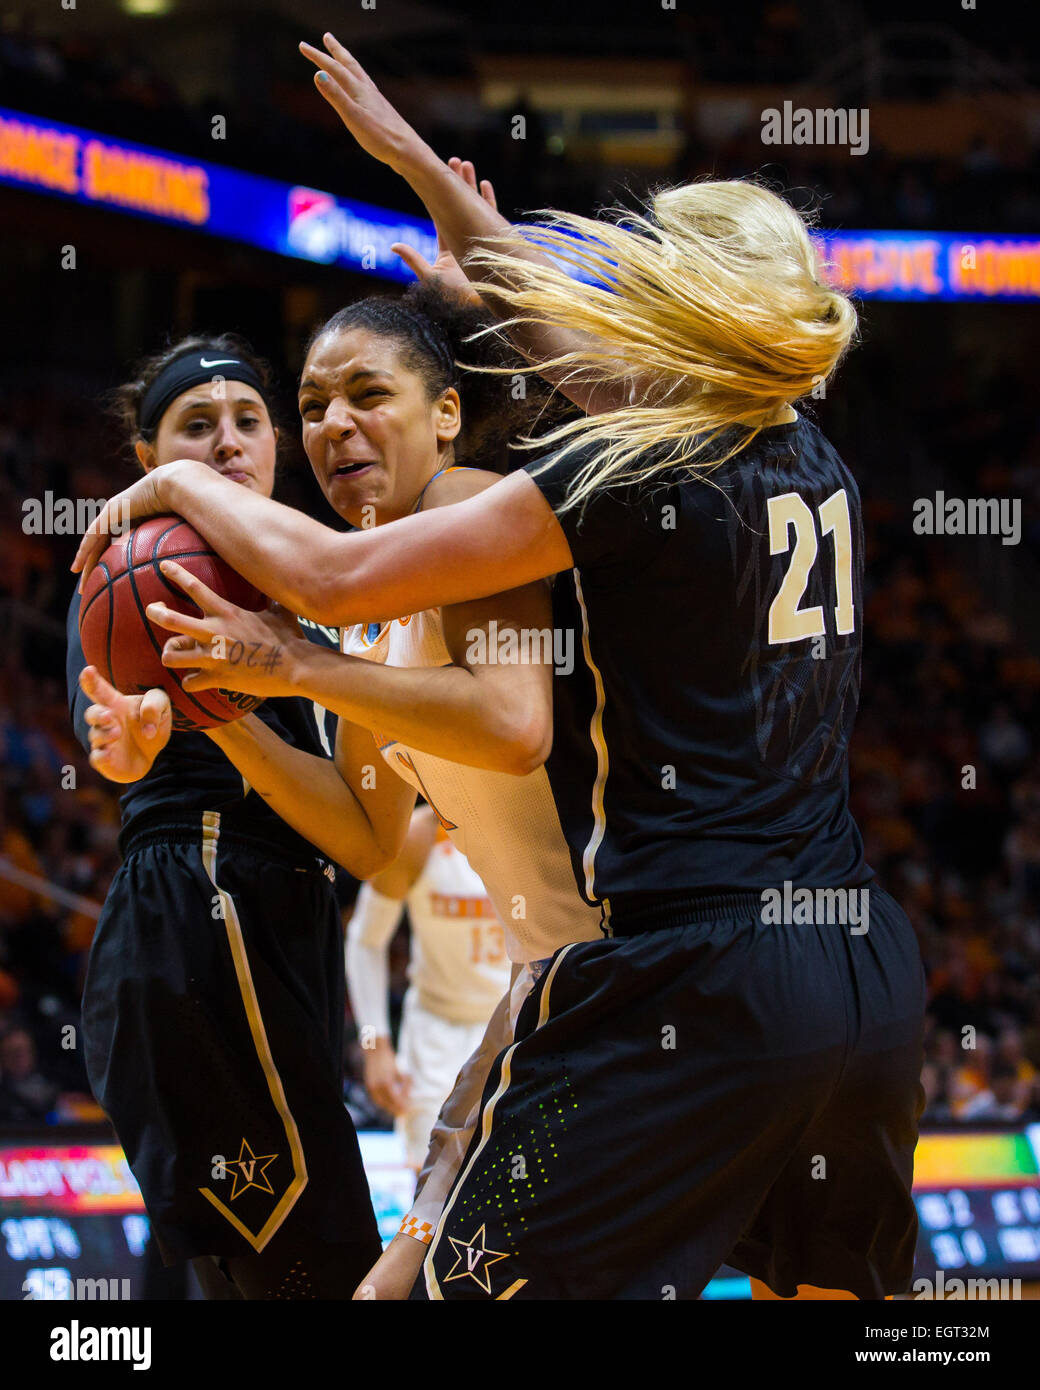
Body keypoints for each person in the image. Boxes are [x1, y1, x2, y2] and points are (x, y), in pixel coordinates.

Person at [74, 36, 928, 1302]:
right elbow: (370, 817)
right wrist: (419, 165)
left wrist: (175, 475)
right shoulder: (806, 449)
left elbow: (349, 593)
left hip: (677, 968)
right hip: (857, 962)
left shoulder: (607, 476)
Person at [67, 335, 383, 1300]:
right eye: (196, 427)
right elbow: (119, 723)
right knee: (323, 1268)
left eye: (248, 420)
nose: (229, 443)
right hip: (203, 902)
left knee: (254, 1275)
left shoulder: (316, 576)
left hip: (279, 920)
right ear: (150, 462)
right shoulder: (136, 569)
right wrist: (131, 740)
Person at [346, 802, 509, 1171]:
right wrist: (375, 1047)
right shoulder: (417, 835)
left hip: (516, 1027)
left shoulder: (529, 823)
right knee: (430, 1190)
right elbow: (364, 941)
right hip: (434, 1033)